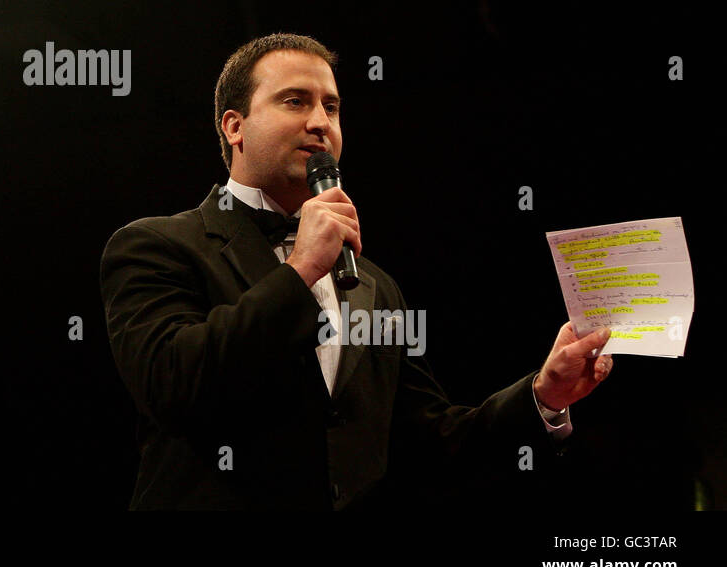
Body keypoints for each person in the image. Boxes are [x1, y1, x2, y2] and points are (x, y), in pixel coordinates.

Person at [99, 32, 613, 509]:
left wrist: (543, 396)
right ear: (234, 126)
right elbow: (173, 384)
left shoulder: (373, 285)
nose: (320, 121)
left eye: (332, 106)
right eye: (295, 101)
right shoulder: (155, 245)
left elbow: (432, 439)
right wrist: (300, 271)